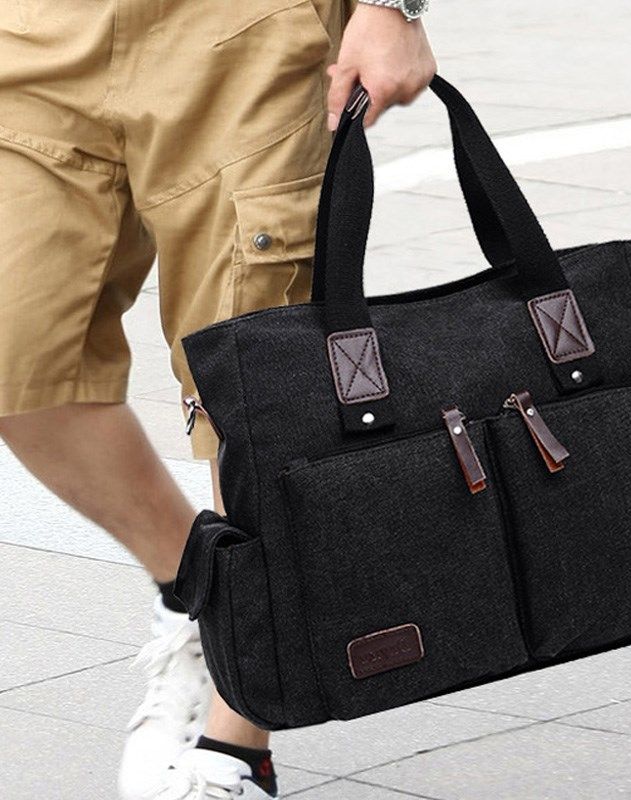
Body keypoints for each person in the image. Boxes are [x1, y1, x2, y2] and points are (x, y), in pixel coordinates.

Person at [0, 0, 436, 797]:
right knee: (16, 355)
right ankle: (208, 592)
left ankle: (234, 750)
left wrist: (393, 5)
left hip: (244, 28)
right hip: (35, 30)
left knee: (251, 386)